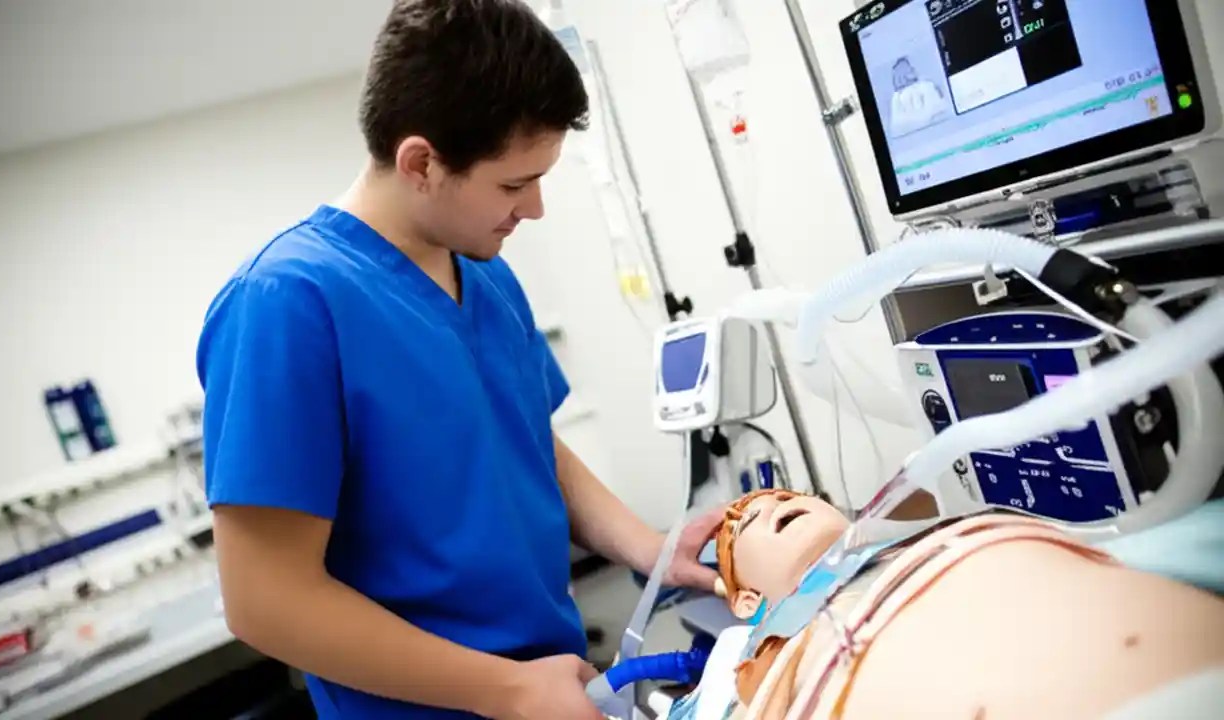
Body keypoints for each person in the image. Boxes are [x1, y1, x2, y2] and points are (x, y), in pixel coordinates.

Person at [195, 2, 720, 718]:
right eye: (512, 184)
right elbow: (265, 602)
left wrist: (651, 550)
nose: (533, 208)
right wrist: (506, 690)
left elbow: (524, 437)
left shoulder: (487, 272)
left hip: (550, 689)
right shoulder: (287, 303)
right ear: (421, 163)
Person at [691, 489, 1224, 719]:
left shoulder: (935, 535)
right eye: (754, 518)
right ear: (746, 602)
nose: (780, 502)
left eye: (789, 496)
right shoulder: (760, 663)